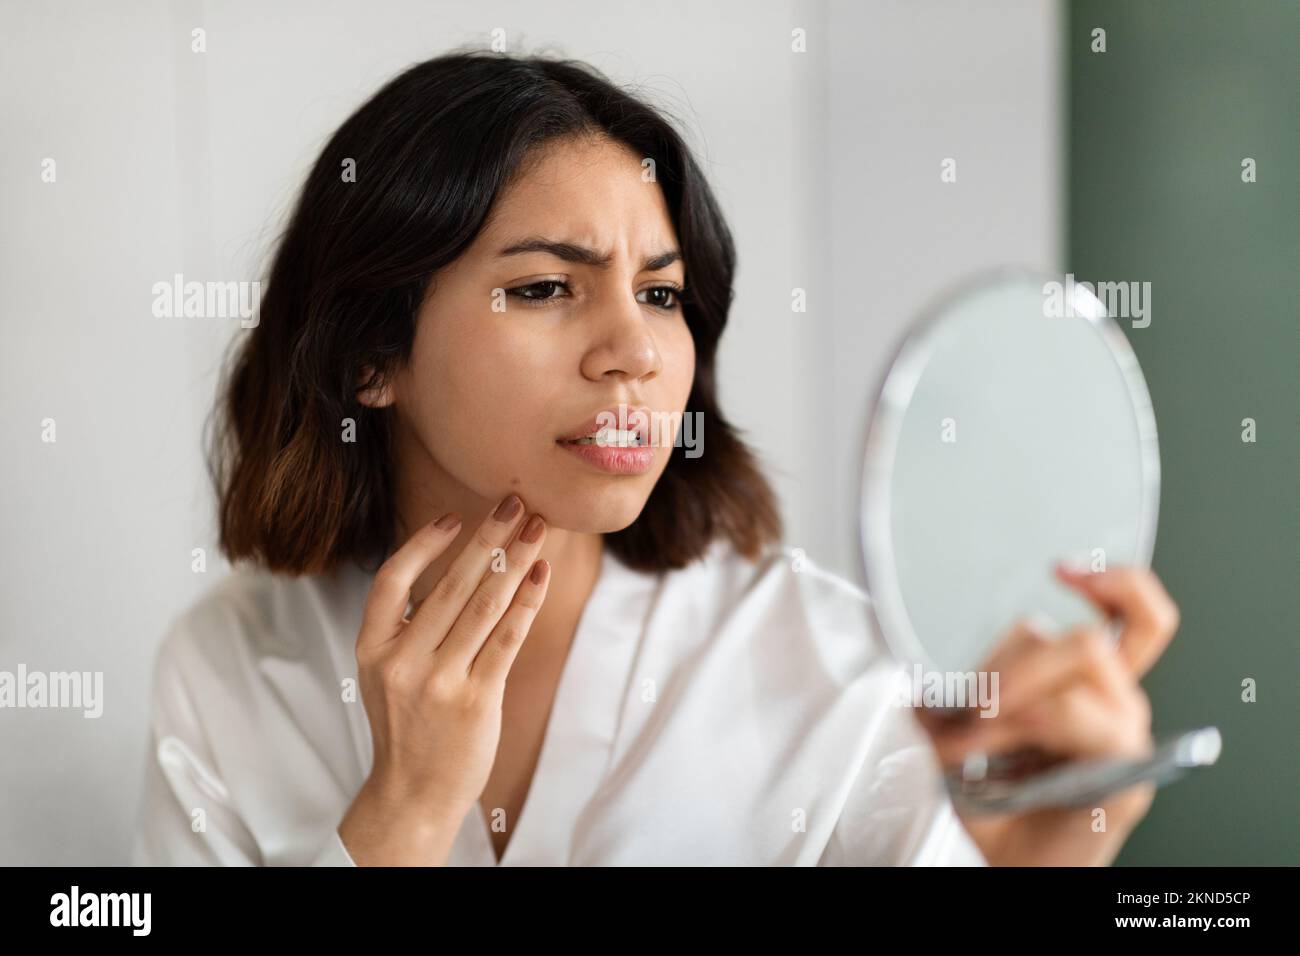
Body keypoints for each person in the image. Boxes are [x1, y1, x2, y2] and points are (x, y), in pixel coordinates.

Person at [130, 51, 1179, 867]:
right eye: (545, 287)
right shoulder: (229, 666)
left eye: (663, 294)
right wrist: (398, 817)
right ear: (371, 353)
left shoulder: (825, 664)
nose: (633, 350)